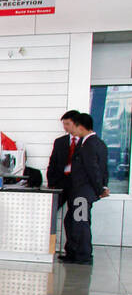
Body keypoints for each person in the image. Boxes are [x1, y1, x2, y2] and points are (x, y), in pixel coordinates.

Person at [59, 113, 110, 265]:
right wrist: (103, 186)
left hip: (83, 192)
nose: (72, 130)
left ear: (80, 127)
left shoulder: (88, 145)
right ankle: (73, 252)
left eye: (74, 127)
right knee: (72, 220)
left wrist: (100, 189)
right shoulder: (98, 143)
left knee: (80, 222)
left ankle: (83, 256)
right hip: (82, 191)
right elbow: (103, 169)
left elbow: (93, 169)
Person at [46, 110, 82, 190]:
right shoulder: (59, 141)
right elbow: (52, 163)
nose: (65, 127)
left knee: (77, 202)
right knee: (56, 202)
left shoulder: (86, 142)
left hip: (79, 185)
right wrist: (51, 182)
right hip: (60, 183)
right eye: (64, 124)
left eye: (67, 124)